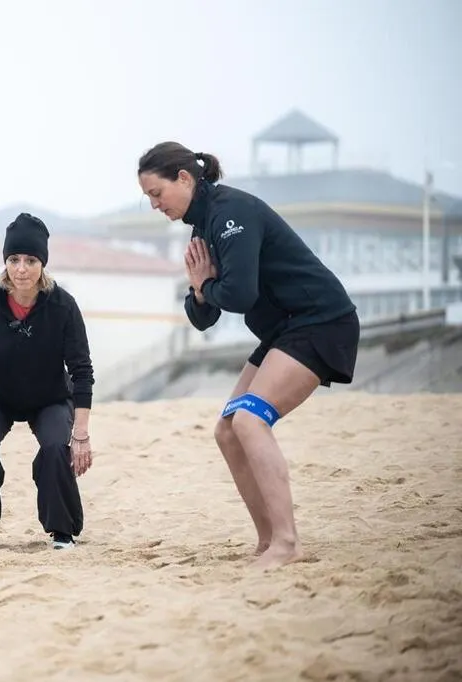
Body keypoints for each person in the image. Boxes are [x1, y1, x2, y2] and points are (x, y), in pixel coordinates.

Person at [136, 142, 360, 570]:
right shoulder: (203, 228)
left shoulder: (230, 213)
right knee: (227, 430)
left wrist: (206, 286)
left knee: (249, 420)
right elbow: (203, 317)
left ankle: (288, 542)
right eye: (148, 197)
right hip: (284, 330)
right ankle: (268, 540)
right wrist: (201, 288)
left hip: (320, 321)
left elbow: (239, 295)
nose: (154, 205)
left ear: (184, 178)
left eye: (156, 193)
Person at [0, 212, 95, 552]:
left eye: (30, 260)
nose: (21, 268)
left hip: (50, 397)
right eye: (14, 260)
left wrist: (80, 435)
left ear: (42, 263)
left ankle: (62, 531)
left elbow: (82, 372)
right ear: (5, 263)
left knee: (56, 447)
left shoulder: (63, 307)